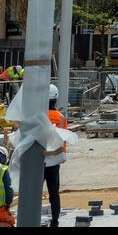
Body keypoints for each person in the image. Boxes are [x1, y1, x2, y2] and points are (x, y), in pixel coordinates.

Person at [45, 84, 68, 227]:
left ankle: (31, 216)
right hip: (54, 159)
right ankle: (55, 220)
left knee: (34, 190)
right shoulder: (60, 117)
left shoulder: (38, 116)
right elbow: (63, 139)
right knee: (54, 192)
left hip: (39, 158)